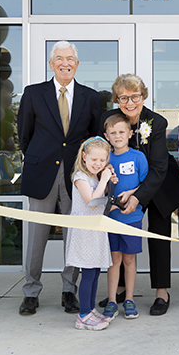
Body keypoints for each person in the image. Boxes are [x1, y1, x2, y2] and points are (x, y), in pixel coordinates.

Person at [17, 40, 102, 316]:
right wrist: (39, 158)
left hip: (75, 175)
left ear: (76, 65)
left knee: (74, 234)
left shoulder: (90, 97)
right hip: (42, 172)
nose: (65, 62)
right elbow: (24, 135)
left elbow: (93, 137)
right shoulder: (33, 93)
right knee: (36, 236)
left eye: (70, 59)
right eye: (59, 58)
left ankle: (69, 290)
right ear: (51, 64)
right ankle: (31, 291)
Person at [98, 74, 179, 316]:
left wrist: (137, 196)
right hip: (122, 185)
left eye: (135, 97)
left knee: (158, 233)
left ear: (144, 96)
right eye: (123, 97)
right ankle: (119, 290)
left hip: (157, 184)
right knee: (120, 234)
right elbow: (102, 150)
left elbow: (159, 167)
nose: (129, 102)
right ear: (117, 99)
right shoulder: (108, 119)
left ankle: (161, 291)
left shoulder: (156, 122)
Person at [102, 113, 149, 321]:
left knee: (129, 259)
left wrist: (132, 194)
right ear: (106, 136)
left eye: (121, 132)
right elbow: (98, 189)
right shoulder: (105, 158)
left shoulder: (138, 157)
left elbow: (146, 184)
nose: (117, 136)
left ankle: (129, 299)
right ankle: (112, 300)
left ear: (130, 133)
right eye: (113, 133)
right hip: (111, 218)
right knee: (114, 260)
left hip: (132, 217)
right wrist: (107, 178)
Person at [66, 137, 114, 331]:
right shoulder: (80, 177)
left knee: (94, 271)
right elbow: (91, 201)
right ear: (84, 156)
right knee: (87, 272)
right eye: (94, 159)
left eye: (102, 161)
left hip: (96, 230)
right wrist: (104, 179)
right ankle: (83, 315)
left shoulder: (96, 177)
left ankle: (90, 309)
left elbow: (104, 201)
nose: (98, 164)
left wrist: (108, 182)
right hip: (84, 232)